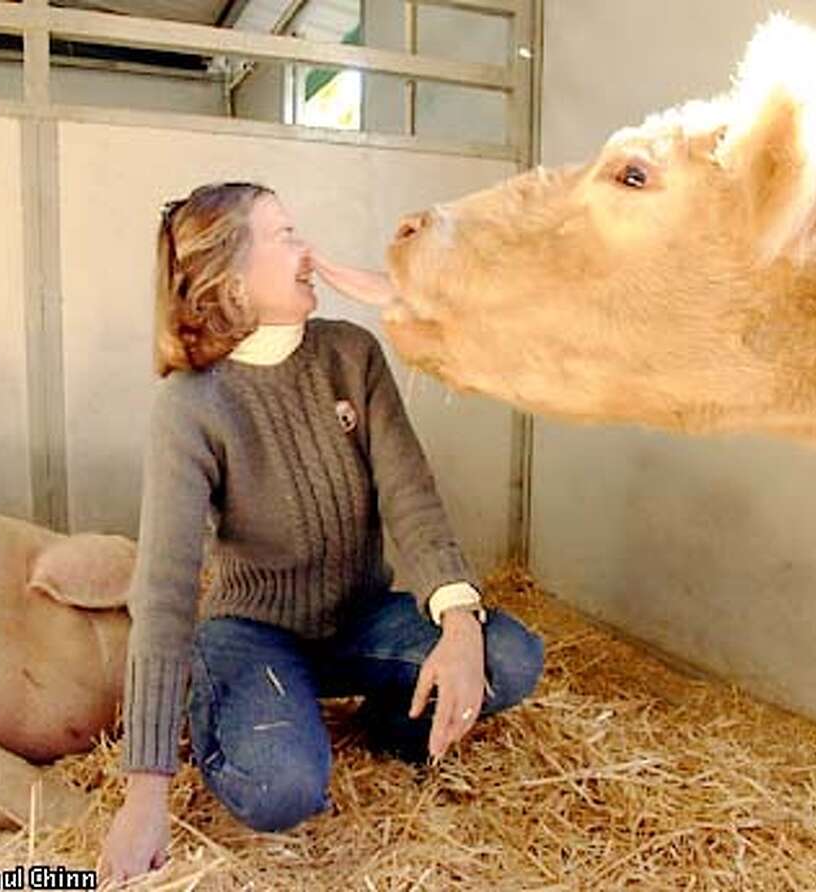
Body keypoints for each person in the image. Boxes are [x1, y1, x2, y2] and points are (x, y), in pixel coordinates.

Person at [99, 182, 544, 881]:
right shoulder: (189, 407)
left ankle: (389, 722)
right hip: (254, 633)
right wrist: (144, 794)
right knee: (282, 789)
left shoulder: (351, 353)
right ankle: (230, 704)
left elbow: (411, 496)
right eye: (285, 235)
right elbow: (164, 594)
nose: (306, 249)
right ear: (233, 281)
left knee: (509, 658)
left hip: (362, 620)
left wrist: (460, 626)